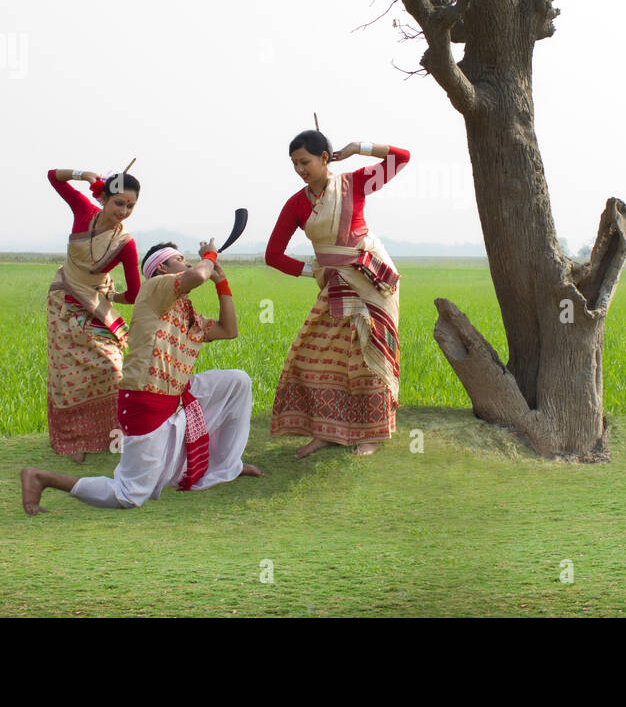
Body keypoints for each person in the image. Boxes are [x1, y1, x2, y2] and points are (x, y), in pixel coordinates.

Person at [21, 241, 263, 514]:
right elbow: (197, 275)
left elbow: (229, 330)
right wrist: (209, 255)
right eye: (180, 259)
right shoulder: (154, 288)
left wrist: (222, 282)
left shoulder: (187, 313)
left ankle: (227, 466)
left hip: (175, 397)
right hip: (145, 402)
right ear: (162, 267)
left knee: (237, 382)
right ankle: (41, 478)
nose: (186, 263)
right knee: (129, 494)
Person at [265, 131, 409, 457]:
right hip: (336, 286)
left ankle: (372, 434)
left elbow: (401, 158)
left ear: (325, 158)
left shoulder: (354, 184)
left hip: (373, 281)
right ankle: (325, 432)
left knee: (368, 358)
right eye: (294, 164)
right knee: (318, 355)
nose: (300, 169)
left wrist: (360, 148)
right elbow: (273, 255)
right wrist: (318, 269)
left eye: (305, 161)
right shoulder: (297, 204)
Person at [44, 168, 142, 463]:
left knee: (112, 369)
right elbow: (52, 176)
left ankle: (112, 436)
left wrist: (111, 297)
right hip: (63, 300)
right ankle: (73, 440)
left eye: (130, 206)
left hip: (96, 304)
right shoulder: (83, 209)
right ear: (104, 198)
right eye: (118, 203)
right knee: (67, 374)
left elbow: (135, 294)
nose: (123, 211)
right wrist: (84, 174)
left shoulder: (126, 244)